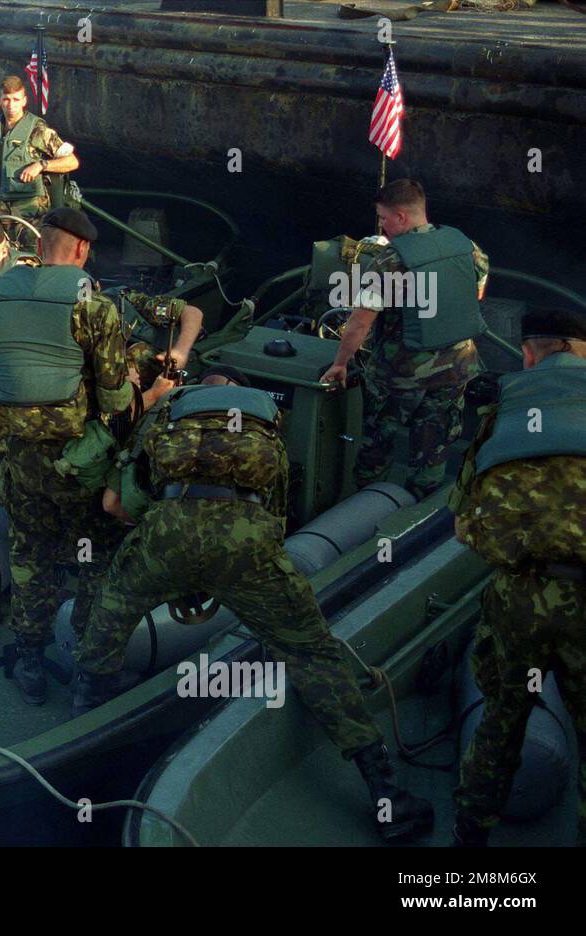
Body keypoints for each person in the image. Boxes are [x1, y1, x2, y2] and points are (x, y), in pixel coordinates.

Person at [71, 366, 435, 842]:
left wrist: (173, 559)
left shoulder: (166, 416)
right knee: (313, 654)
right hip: (246, 538)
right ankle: (389, 798)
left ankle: (83, 746)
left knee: (106, 622)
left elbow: (121, 504)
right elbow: (277, 512)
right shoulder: (265, 422)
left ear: (198, 388)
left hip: (166, 533)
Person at [0, 207, 131, 705]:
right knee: (96, 560)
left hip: (21, 464)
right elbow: (116, 401)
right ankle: (89, 674)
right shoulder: (93, 307)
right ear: (82, 250)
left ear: (41, 244)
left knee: (31, 556)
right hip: (80, 467)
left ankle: (28, 656)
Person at [449, 307, 586, 847]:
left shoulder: (504, 404)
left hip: (518, 598)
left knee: (499, 727)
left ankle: (468, 845)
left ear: (530, 353)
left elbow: (464, 527)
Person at [320, 179, 489, 500]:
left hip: (401, 372)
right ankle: (420, 504)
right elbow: (475, 293)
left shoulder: (391, 261)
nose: (380, 225)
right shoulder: (467, 246)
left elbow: (359, 323)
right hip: (458, 367)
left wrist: (340, 363)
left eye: (383, 218)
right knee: (435, 440)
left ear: (400, 216)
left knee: (378, 438)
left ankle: (367, 503)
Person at [0, 75, 79, 232]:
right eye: (6, 99)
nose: (11, 105)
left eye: (16, 99)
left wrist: (41, 165)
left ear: (24, 101)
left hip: (28, 223)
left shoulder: (38, 131)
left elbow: (72, 162)